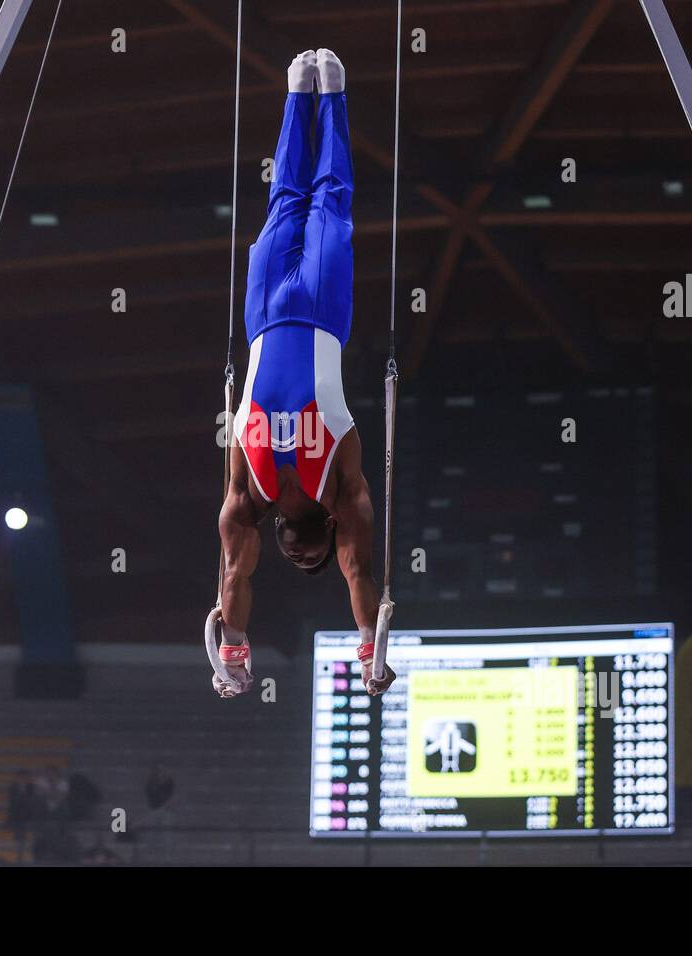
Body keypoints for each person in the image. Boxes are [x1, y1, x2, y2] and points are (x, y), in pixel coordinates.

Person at [215, 48, 395, 698]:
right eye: (309, 555)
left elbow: (236, 575)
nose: (299, 556)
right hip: (321, 312)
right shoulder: (341, 490)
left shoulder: (245, 496)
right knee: (330, 201)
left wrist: (234, 652)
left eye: (295, 559)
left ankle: (297, 95)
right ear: (327, 535)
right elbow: (358, 571)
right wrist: (372, 651)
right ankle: (334, 96)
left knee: (283, 200)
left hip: (262, 316)